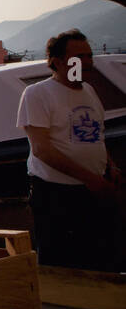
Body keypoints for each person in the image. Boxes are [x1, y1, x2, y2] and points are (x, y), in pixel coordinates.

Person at [18, 29, 122, 270]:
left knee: (102, 257)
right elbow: (42, 149)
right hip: (57, 194)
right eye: (79, 57)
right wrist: (91, 180)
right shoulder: (37, 94)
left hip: (93, 189)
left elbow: (96, 136)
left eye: (88, 56)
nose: (86, 62)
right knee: (62, 263)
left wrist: (110, 166)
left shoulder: (90, 91)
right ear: (56, 62)